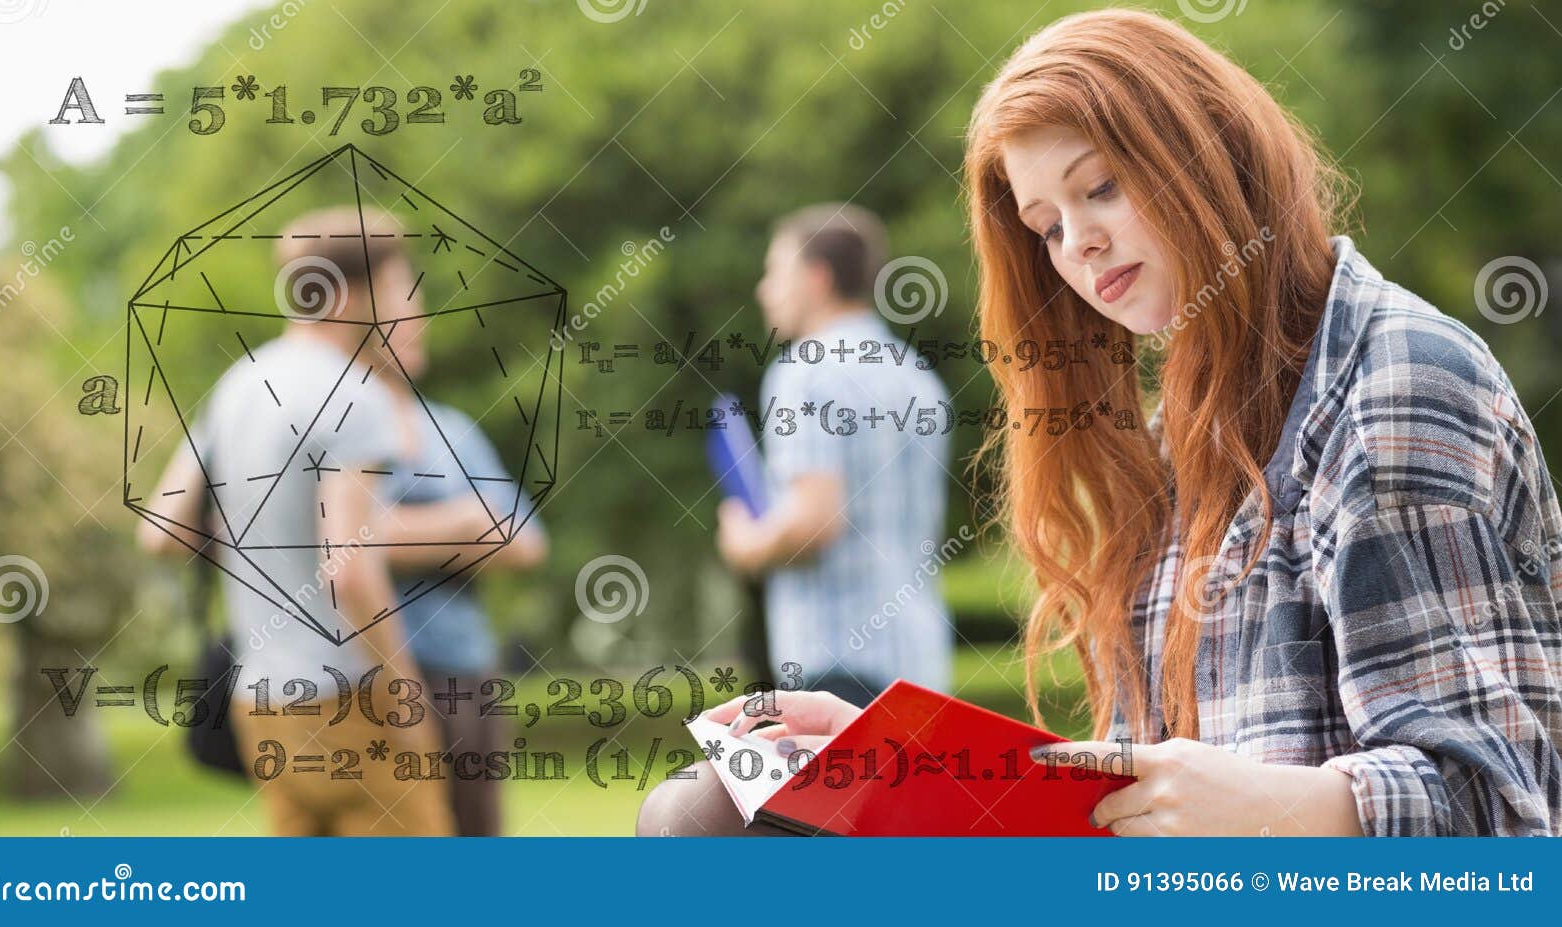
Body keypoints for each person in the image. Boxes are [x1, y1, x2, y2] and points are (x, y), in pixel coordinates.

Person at [640, 8, 1562, 837]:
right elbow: (1139, 793)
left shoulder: (1395, 382)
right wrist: (908, 766)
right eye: (1045, 225)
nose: (1075, 244)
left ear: (1208, 150)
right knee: (713, 804)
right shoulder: (1172, 436)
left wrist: (1273, 805)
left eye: (1102, 188)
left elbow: (1500, 811)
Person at [135, 207, 479, 836]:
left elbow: (162, 530)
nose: (410, 308)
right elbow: (348, 570)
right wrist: (407, 700)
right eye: (401, 289)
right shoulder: (356, 394)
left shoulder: (240, 382)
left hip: (260, 702)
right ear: (353, 293)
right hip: (351, 700)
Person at [715, 203, 955, 707]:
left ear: (816, 277)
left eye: (776, 272)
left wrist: (745, 542)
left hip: (837, 663)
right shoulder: (916, 375)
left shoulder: (804, 369)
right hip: (920, 662)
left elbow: (814, 523)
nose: (764, 289)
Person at [375, 312, 548, 835]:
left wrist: (393, 532)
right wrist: (464, 523)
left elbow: (525, 540)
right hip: (368, 674)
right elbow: (334, 543)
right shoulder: (330, 428)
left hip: (463, 675)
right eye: (398, 317)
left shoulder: (448, 428)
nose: (418, 326)